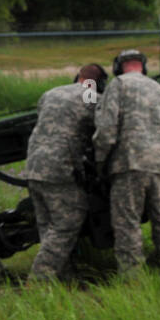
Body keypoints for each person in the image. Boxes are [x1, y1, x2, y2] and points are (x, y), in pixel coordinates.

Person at [92, 49, 160, 277]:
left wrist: (100, 163)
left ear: (118, 67)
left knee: (127, 224)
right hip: (159, 165)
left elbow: (106, 131)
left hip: (129, 164)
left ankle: (132, 277)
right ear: (143, 66)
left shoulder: (118, 86)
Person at [22, 63, 107, 281]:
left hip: (33, 166)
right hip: (59, 168)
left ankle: (63, 275)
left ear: (77, 76)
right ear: (97, 83)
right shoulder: (90, 96)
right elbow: (98, 129)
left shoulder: (51, 93)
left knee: (47, 225)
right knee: (67, 222)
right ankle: (40, 278)